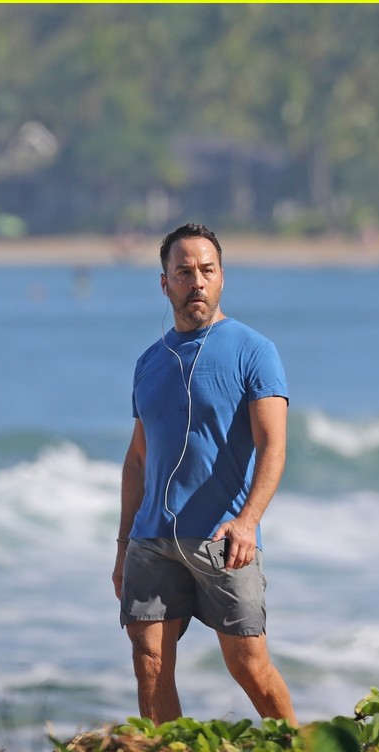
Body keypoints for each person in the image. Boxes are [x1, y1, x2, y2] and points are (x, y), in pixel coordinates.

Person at [112, 222, 296, 726]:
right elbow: (138, 459)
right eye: (184, 271)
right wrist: (123, 544)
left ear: (221, 278)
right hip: (151, 540)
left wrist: (247, 519)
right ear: (165, 282)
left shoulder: (254, 350)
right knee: (149, 664)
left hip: (222, 538)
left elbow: (273, 446)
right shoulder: (149, 361)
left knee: (249, 666)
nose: (196, 281)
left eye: (206, 270)